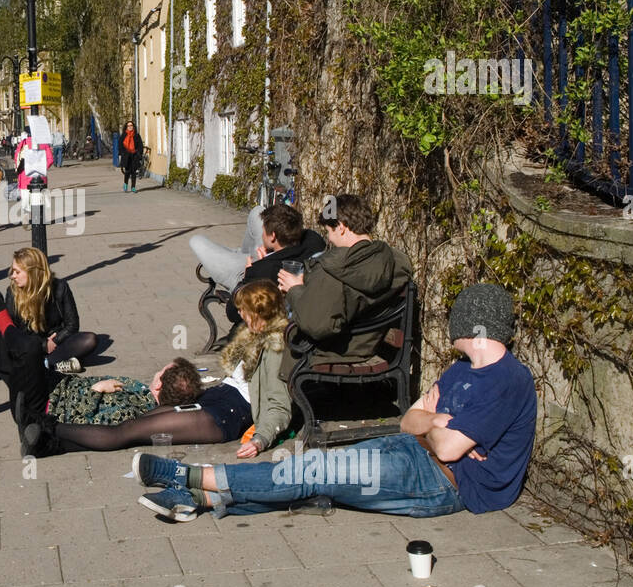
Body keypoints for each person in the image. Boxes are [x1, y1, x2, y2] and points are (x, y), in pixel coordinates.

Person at [133, 284, 537, 522]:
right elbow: (408, 421)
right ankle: (207, 500)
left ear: (471, 323)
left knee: (319, 471)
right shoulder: (461, 370)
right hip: (413, 450)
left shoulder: (506, 380)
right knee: (317, 476)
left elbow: (447, 446)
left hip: (444, 484)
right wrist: (436, 421)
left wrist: (434, 424)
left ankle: (192, 477)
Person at [54, 280, 292, 453]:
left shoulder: (275, 348)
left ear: (259, 312)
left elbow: (280, 406)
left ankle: (48, 428)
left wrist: (261, 439)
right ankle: (51, 445)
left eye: (244, 310)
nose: (240, 314)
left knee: (128, 433)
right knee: (133, 427)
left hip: (226, 415)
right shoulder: (256, 334)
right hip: (219, 396)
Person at [278, 193, 412, 366]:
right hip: (368, 344)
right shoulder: (396, 261)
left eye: (328, 231)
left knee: (271, 349)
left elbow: (316, 324)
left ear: (341, 227)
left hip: (334, 350)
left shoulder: (334, 269)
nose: (329, 239)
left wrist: (295, 290)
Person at [189, 202, 325, 305]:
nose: (262, 232)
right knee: (258, 211)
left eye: (264, 231)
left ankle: (240, 256)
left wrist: (250, 272)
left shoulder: (260, 271)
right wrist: (266, 256)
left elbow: (233, 312)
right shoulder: (314, 239)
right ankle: (244, 254)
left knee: (196, 241)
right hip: (270, 258)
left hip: (248, 273)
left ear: (272, 236)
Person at [4, 246, 97, 371]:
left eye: (17, 272)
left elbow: (72, 324)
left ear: (32, 273)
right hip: (29, 346)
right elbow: (13, 332)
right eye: (12, 271)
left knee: (89, 340)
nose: (12, 276)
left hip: (56, 343)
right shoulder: (12, 293)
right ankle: (56, 364)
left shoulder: (59, 287)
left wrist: (56, 340)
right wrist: (42, 345)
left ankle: (46, 364)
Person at [49, 357, 203, 427]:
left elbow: (76, 423)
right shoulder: (141, 391)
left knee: (30, 348)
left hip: (53, 398)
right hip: (62, 382)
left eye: (161, 370)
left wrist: (96, 390)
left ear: (158, 384)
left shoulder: (129, 413)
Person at [13, 126, 54, 227]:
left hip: (24, 177)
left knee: (26, 200)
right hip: (39, 177)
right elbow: (50, 159)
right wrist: (42, 168)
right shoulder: (43, 143)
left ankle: (26, 218)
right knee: (40, 199)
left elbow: (16, 159)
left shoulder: (22, 144)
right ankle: (41, 219)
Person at [119, 120, 144, 193]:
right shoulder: (123, 135)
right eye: (128, 126)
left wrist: (139, 153)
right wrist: (122, 153)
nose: (130, 127)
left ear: (133, 127)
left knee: (133, 172)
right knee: (127, 171)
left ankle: (133, 187)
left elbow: (140, 146)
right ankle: (125, 184)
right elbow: (120, 146)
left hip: (134, 155)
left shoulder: (136, 135)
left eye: (131, 125)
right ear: (126, 127)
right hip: (126, 155)